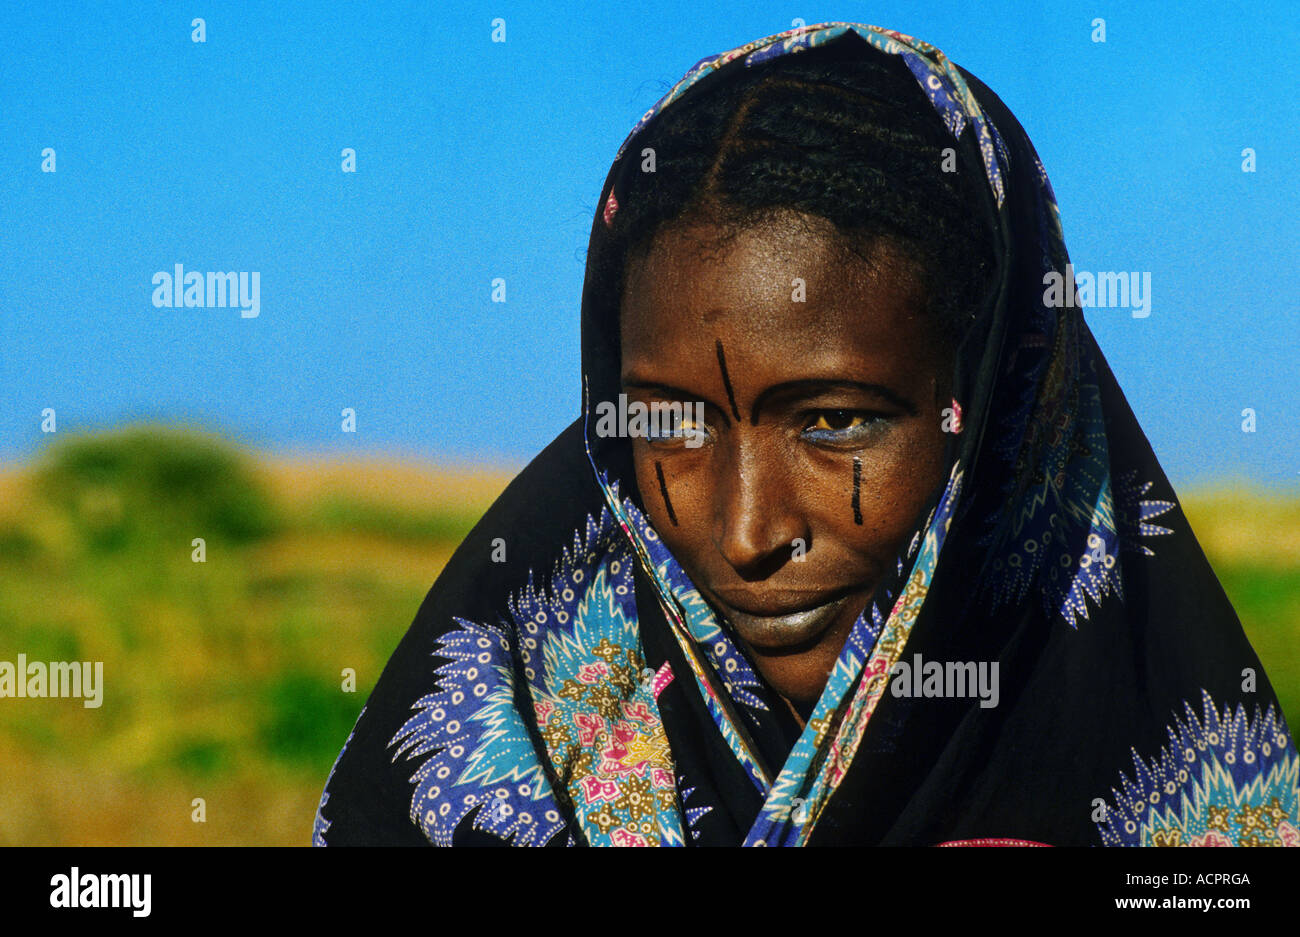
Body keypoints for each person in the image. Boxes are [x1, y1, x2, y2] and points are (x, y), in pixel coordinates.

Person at [313, 22, 1298, 846]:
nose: (745, 532)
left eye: (832, 422)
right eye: (667, 421)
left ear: (1001, 412)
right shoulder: (521, 722)